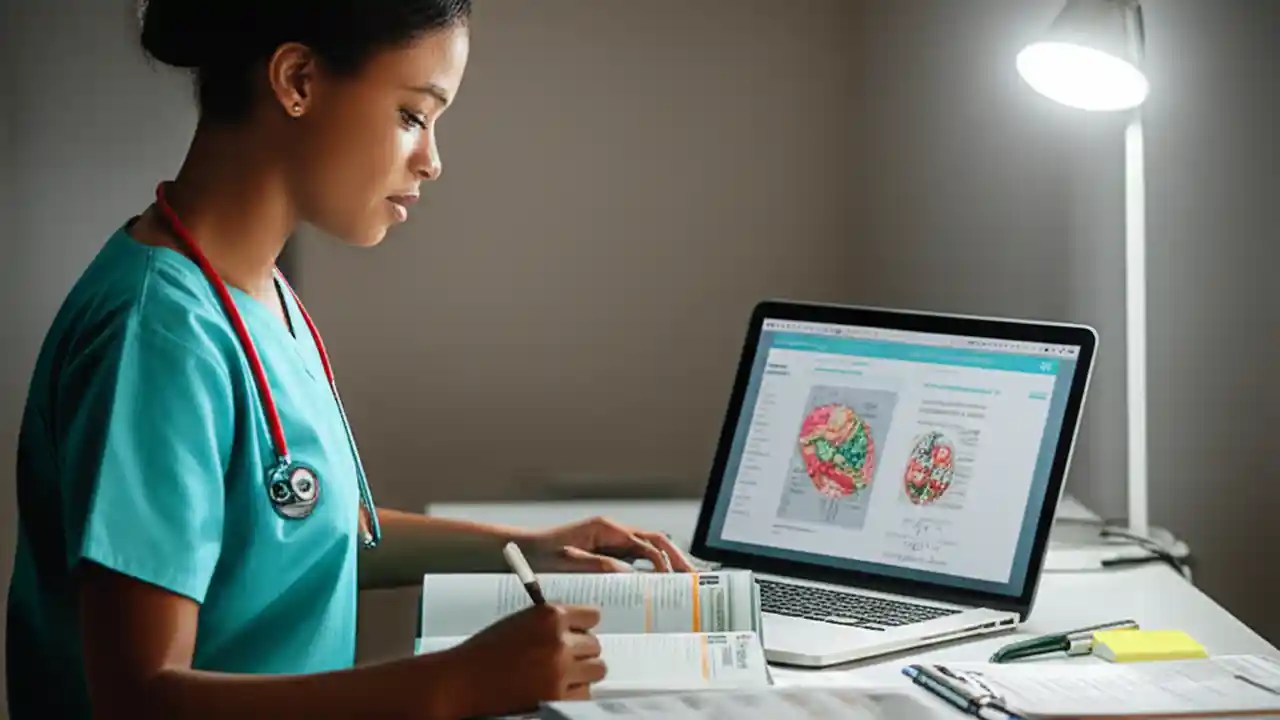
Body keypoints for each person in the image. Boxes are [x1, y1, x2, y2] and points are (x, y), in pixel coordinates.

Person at [5, 2, 694, 718]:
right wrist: (454, 683)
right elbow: (138, 699)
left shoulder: (257, 290)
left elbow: (304, 531)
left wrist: (531, 548)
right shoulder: (156, 339)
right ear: (298, 80)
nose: (431, 158)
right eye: (412, 115)